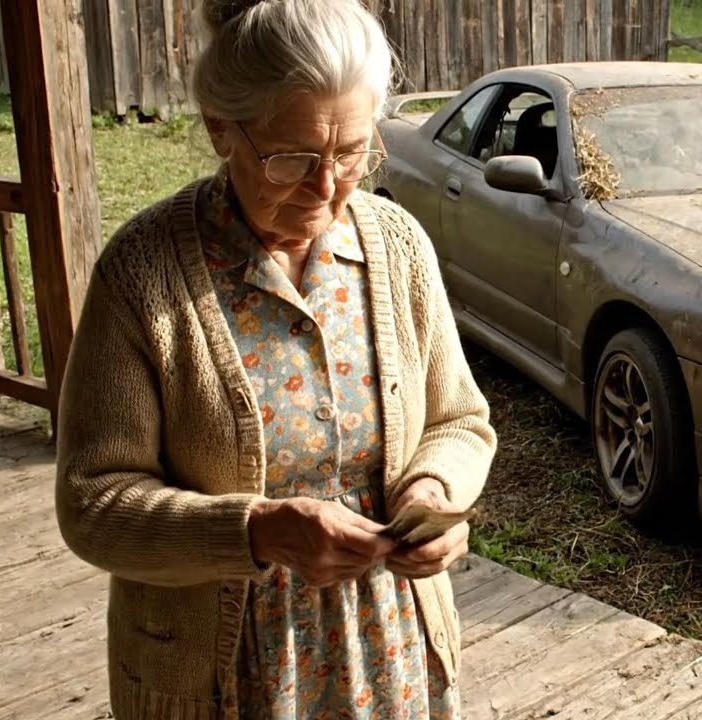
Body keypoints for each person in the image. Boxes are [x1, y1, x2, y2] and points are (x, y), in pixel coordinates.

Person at [53, 1, 497, 718]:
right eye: (293, 157)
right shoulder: (142, 274)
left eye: (352, 153)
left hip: (389, 654)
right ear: (220, 128)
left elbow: (460, 421)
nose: (327, 187)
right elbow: (92, 504)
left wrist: (433, 492)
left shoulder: (397, 246)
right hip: (227, 679)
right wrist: (256, 531)